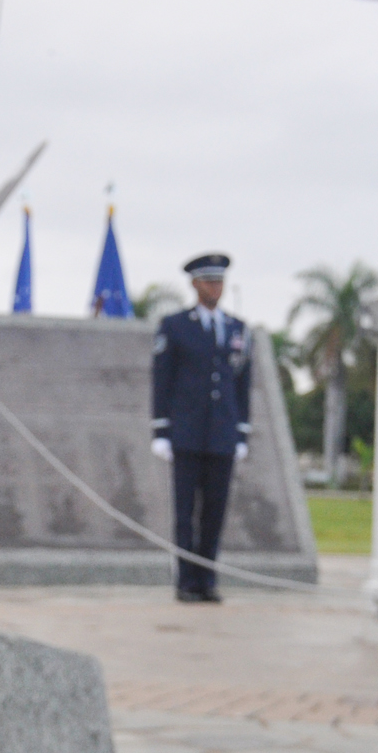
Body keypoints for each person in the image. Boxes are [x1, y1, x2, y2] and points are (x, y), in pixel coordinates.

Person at [151, 253, 252, 603]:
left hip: (222, 434)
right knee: (184, 514)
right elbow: (162, 380)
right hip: (187, 433)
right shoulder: (175, 326)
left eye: (219, 281)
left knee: (214, 513)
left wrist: (241, 433)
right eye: (209, 282)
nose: (215, 288)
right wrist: (161, 430)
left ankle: (207, 580)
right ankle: (186, 581)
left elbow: (241, 384)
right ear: (195, 285)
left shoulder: (237, 328)